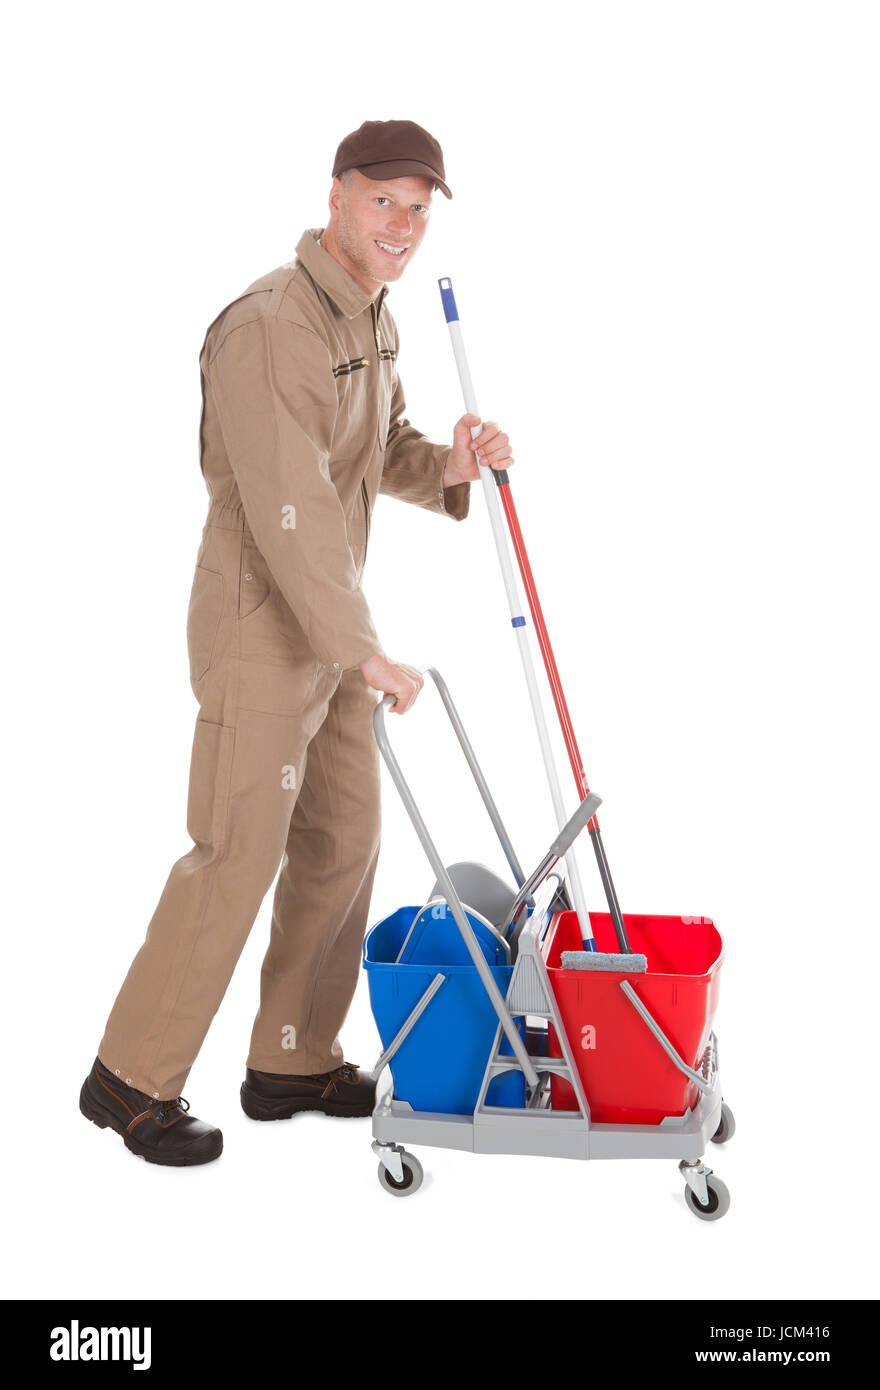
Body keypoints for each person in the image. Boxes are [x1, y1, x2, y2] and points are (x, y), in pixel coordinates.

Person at [79, 119, 514, 1166]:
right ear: (335, 196)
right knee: (237, 851)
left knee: (343, 839)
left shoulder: (369, 317)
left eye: (418, 208)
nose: (403, 224)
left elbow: (373, 457)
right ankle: (129, 1077)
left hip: (330, 622)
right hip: (260, 623)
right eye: (384, 202)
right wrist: (360, 644)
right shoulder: (273, 323)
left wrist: (448, 464)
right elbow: (289, 503)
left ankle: (291, 1055)